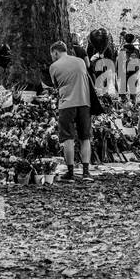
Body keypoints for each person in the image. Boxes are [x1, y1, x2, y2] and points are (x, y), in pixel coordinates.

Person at [48, 41, 92, 182]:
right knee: (85, 138)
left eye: (52, 54)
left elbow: (55, 85)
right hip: (84, 102)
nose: (52, 57)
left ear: (55, 52)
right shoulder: (80, 62)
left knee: (68, 138)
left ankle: (70, 172)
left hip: (67, 104)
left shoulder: (54, 67)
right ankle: (86, 172)